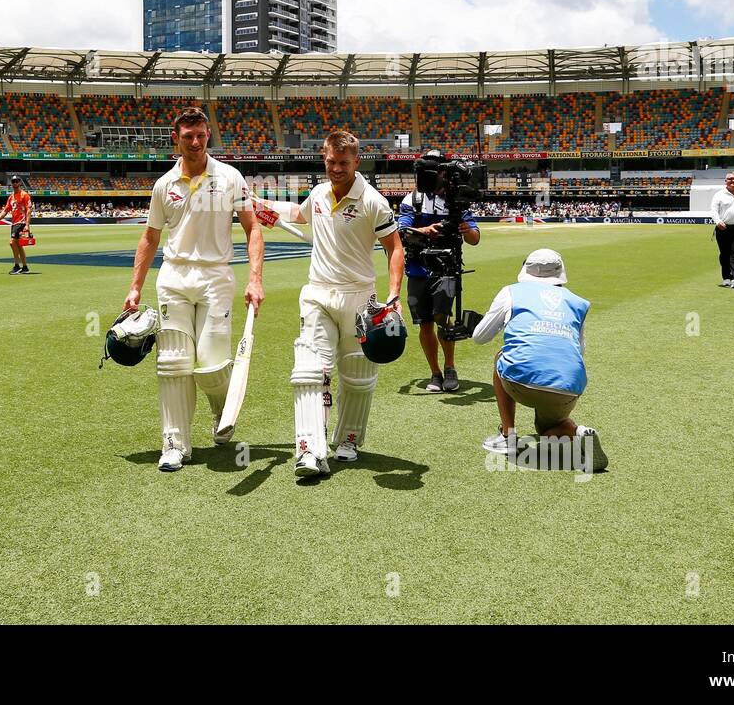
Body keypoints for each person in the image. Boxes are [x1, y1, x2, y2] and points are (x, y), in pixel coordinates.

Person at [254, 130, 405, 479]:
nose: (336, 168)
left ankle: (348, 440)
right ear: (324, 157)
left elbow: (394, 248)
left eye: (344, 163)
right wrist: (267, 207)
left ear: (356, 161)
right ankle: (309, 449)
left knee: (357, 376)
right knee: (311, 371)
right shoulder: (320, 193)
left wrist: (394, 296)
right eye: (331, 161)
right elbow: (300, 213)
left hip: (358, 296)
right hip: (318, 292)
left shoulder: (372, 201)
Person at [124, 107, 264, 472]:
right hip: (174, 277)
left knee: (211, 363)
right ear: (177, 138)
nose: (196, 142)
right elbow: (150, 236)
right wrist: (134, 288)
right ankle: (174, 444)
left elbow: (253, 228)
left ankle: (222, 408)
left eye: (201, 135)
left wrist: (255, 278)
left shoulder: (231, 177)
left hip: (216, 278)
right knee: (173, 363)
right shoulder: (164, 185)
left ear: (208, 135)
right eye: (188, 136)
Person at [471, 249, 606, 472]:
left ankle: (508, 436)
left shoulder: (511, 292)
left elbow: (479, 337)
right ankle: (577, 432)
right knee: (549, 429)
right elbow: (579, 350)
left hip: (519, 382)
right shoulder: (579, 302)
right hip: (568, 387)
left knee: (500, 357)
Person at [397, 150, 480, 392]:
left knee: (443, 318)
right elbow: (402, 232)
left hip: (447, 270)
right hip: (417, 269)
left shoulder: (456, 200)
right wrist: (425, 231)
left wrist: (466, 228)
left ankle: (450, 368)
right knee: (424, 324)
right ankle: (435, 373)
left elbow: (474, 238)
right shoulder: (411, 200)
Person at [0, 176, 34, 275]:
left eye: (16, 181)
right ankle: (24, 267)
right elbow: (6, 210)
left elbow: (29, 210)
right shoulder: (11, 197)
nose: (15, 183)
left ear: (20, 182)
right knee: (19, 245)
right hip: (14, 223)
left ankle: (17, 266)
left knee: (12, 242)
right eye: (13, 182)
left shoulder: (25, 195)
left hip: (21, 222)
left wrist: (27, 224)